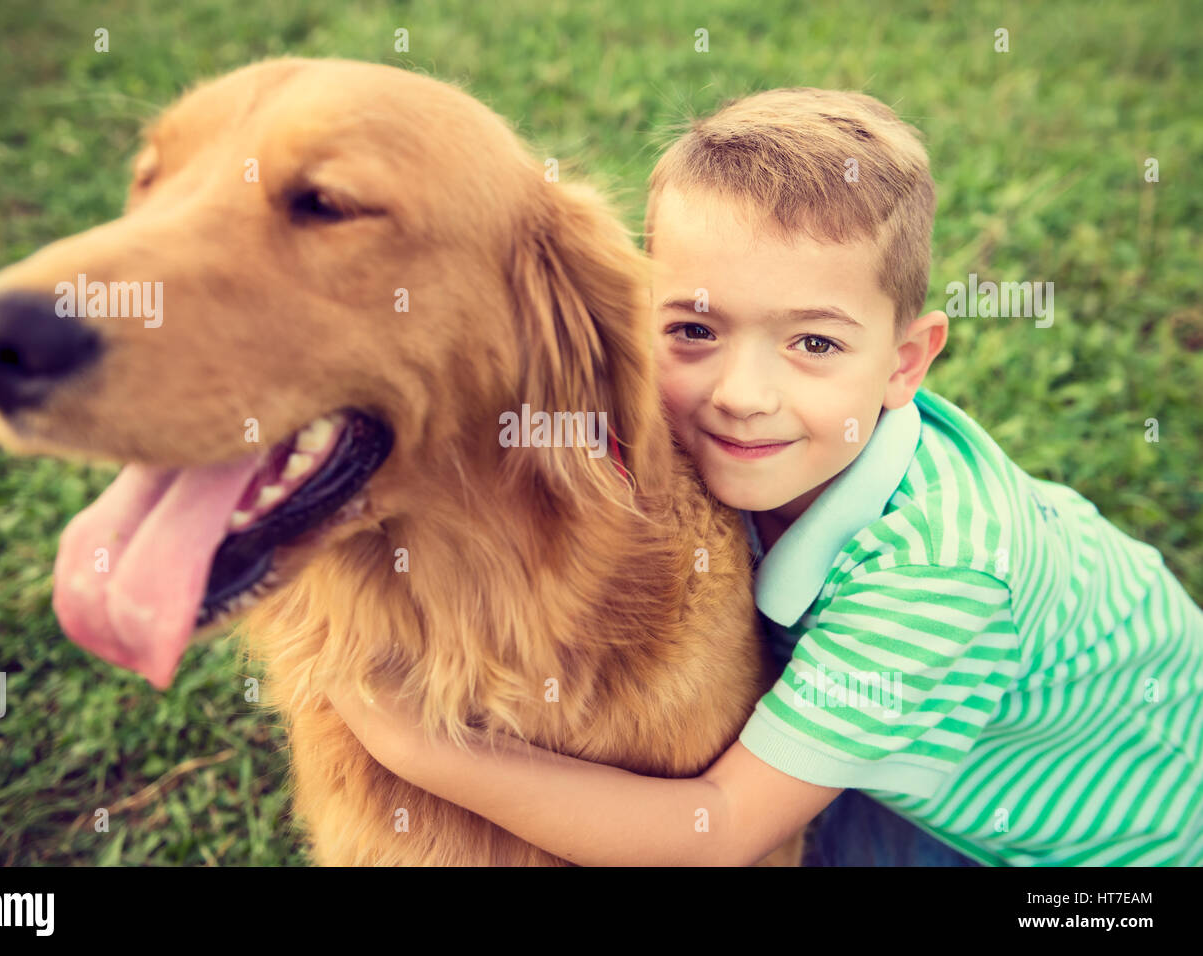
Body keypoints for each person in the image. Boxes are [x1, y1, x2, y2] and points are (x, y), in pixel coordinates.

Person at [331, 88, 1203, 866]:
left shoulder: (930, 582)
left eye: (814, 344)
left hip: (1082, 851)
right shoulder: (764, 443)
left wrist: (416, 748)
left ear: (905, 364)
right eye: (694, 332)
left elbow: (718, 828)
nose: (741, 398)